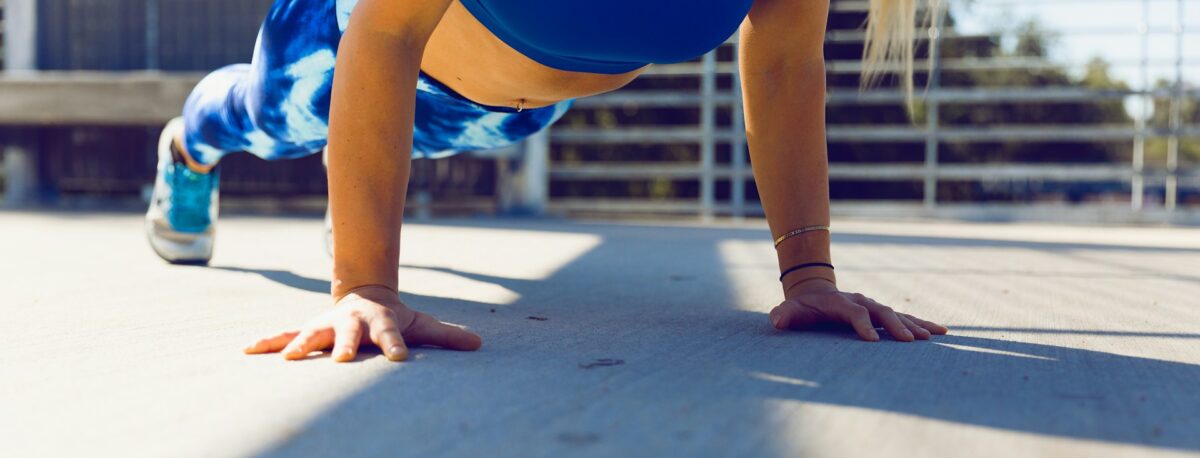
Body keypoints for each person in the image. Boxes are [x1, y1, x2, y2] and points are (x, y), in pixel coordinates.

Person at [145, 0, 948, 363]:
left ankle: (353, 192)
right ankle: (187, 150)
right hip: (347, 44)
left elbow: (781, 66)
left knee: (388, 152)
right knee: (262, 119)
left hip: (511, 115)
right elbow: (386, 32)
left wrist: (809, 275)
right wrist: (365, 284)